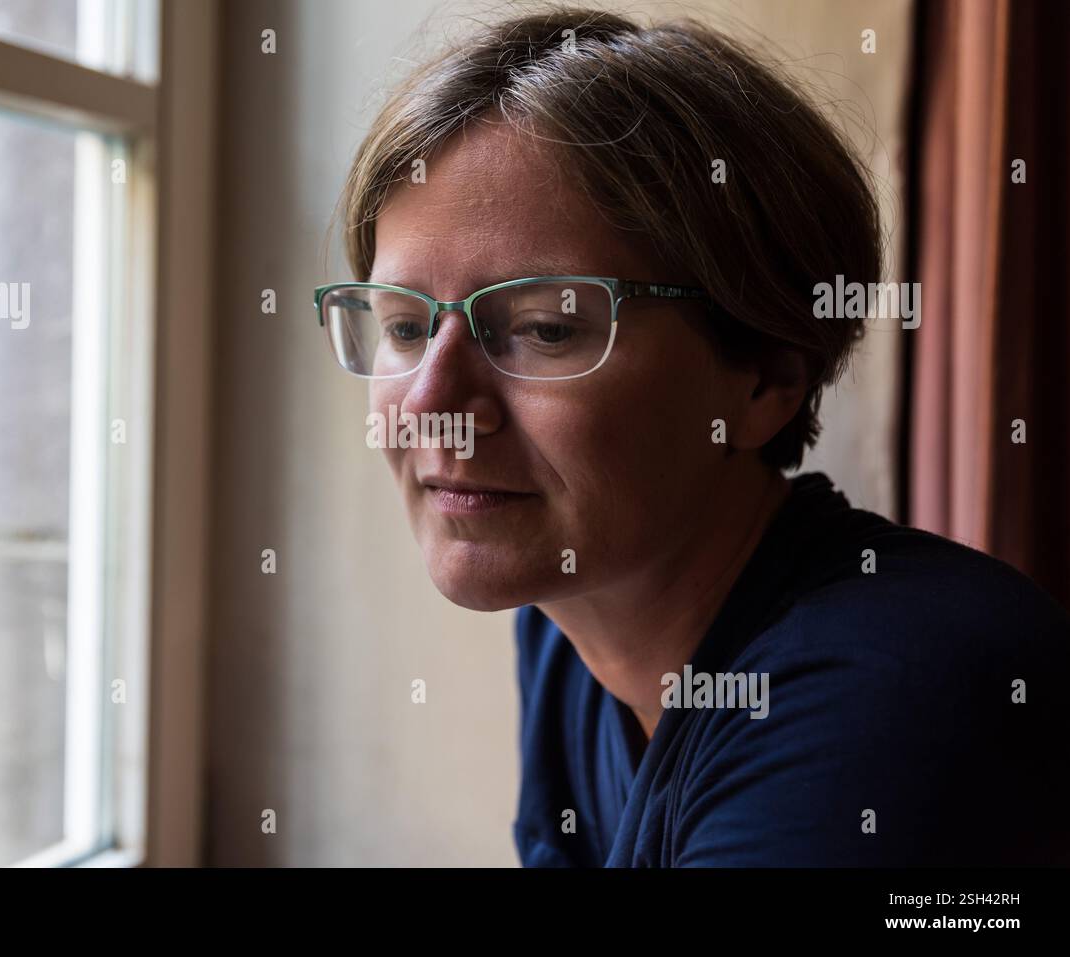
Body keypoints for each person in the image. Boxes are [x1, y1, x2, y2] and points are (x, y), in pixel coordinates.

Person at [315, 9, 1070, 866]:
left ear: (764, 379)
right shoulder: (572, 623)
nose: (433, 402)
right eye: (405, 327)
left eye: (544, 329)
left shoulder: (888, 695)